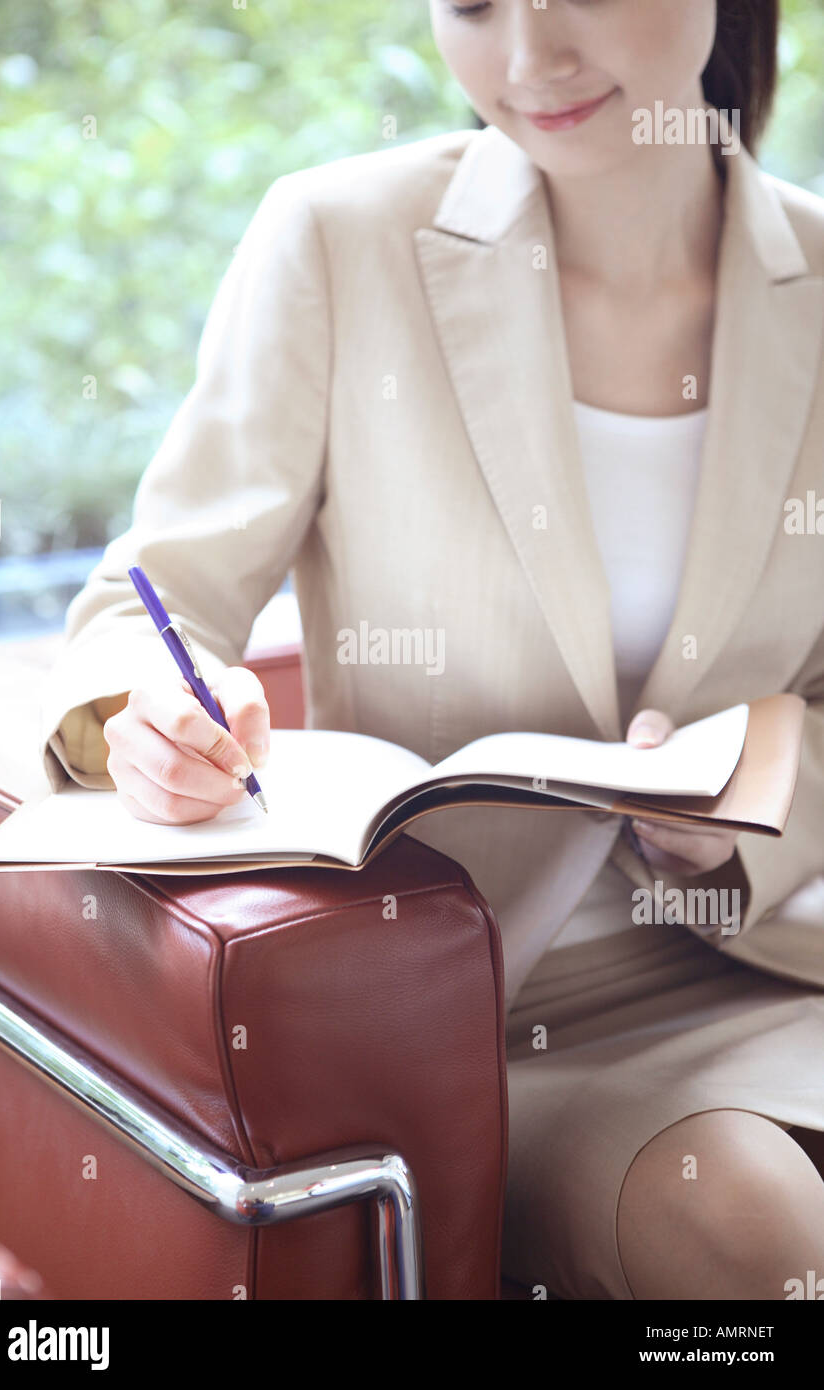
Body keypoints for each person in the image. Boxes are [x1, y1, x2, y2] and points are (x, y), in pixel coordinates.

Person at [40, 0, 824, 1299]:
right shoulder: (341, 244)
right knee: (759, 1241)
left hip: (776, 951)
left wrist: (741, 804)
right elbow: (149, 602)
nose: (528, 58)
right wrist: (148, 715)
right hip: (489, 1004)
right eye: (470, 5)